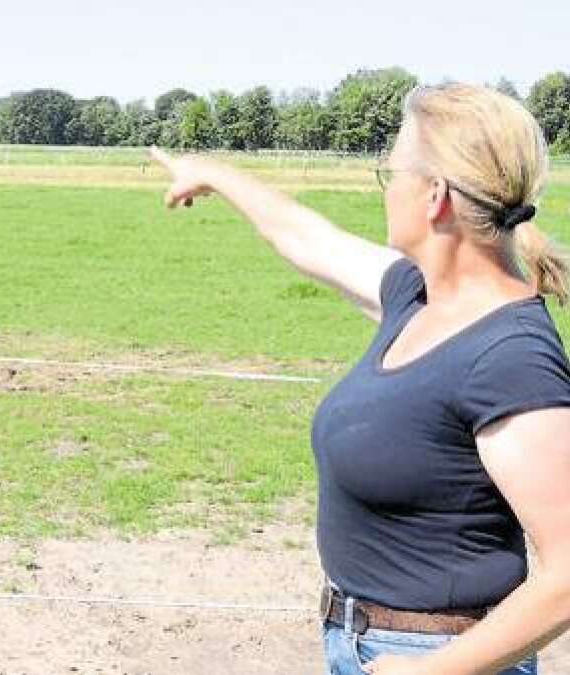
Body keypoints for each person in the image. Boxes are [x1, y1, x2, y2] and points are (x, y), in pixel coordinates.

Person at [150, 83, 570, 674]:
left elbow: (567, 575)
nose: (385, 185)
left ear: (434, 196)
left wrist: (429, 672)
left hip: (441, 659)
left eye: (391, 170)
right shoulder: (417, 297)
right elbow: (308, 237)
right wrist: (214, 173)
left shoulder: (511, 356)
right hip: (362, 646)